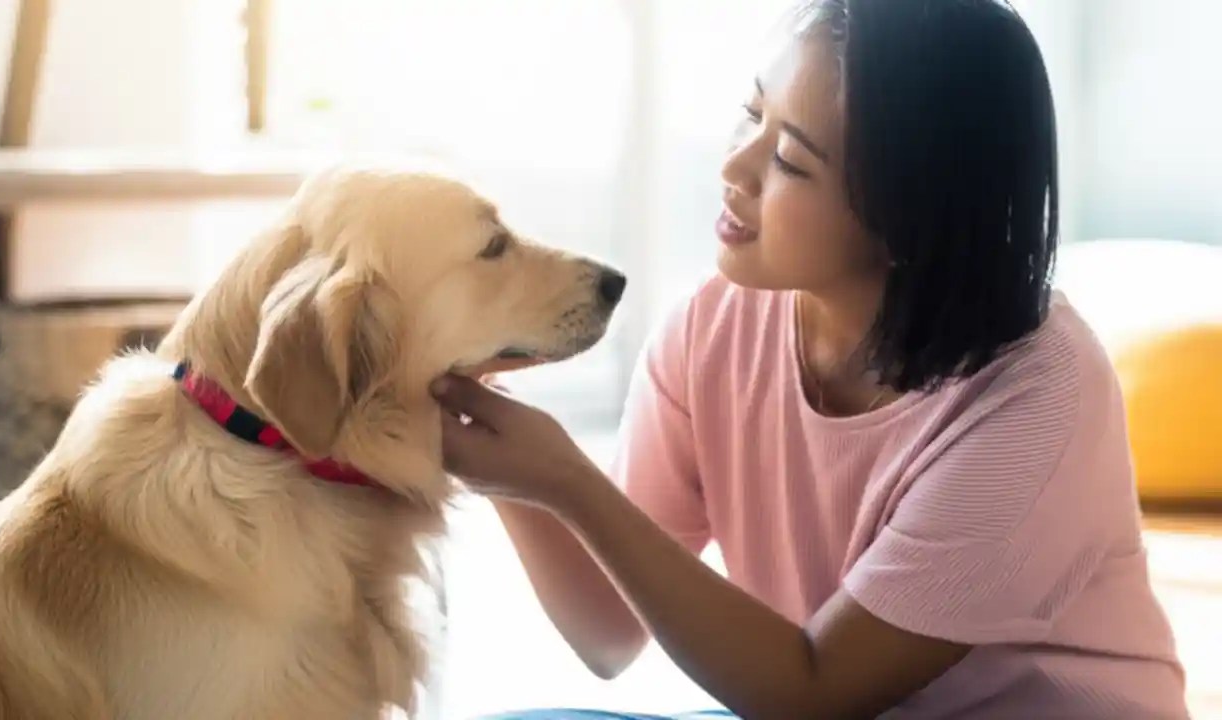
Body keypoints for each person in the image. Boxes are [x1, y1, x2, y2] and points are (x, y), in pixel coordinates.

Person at [430, 0, 1188, 717]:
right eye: (753, 116)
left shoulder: (1038, 394)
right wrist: (515, 464)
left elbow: (813, 696)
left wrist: (568, 478)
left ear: (907, 215)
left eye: (790, 161)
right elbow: (605, 632)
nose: (736, 167)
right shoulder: (714, 323)